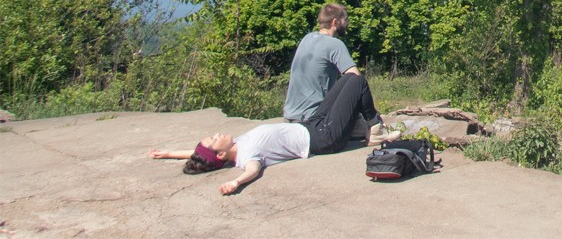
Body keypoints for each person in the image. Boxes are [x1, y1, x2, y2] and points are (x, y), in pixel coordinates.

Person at [148, 73, 399, 195]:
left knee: (348, 78)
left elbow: (198, 155)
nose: (216, 134)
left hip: (310, 124)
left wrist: (169, 153)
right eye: (214, 140)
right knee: (358, 82)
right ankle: (374, 126)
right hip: (323, 137)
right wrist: (235, 183)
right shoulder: (247, 155)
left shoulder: (237, 143)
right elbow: (252, 171)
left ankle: (362, 127)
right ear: (222, 153)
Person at [283, 3, 360, 123]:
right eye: (345, 19)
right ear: (335, 22)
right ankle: (374, 125)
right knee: (359, 85)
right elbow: (356, 79)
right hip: (313, 117)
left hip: (291, 115)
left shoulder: (307, 38)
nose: (348, 23)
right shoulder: (335, 44)